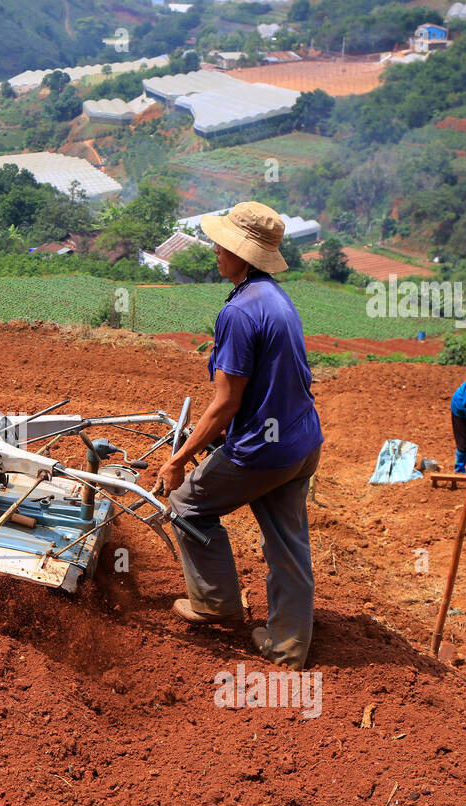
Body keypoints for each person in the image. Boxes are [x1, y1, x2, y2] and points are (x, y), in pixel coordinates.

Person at [153, 202, 323, 669]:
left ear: (242, 253)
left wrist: (179, 458)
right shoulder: (274, 297)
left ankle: (215, 602)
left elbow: (225, 404)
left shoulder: (239, 313)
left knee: (187, 503)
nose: (215, 251)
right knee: (288, 543)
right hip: (300, 441)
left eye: (222, 244)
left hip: (264, 451)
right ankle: (288, 647)